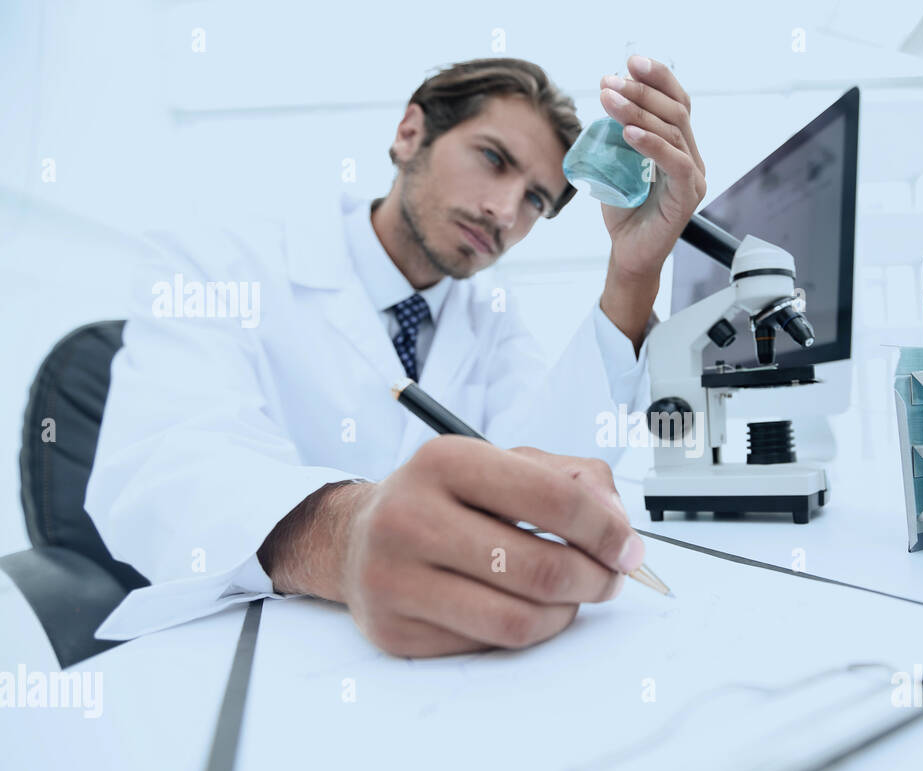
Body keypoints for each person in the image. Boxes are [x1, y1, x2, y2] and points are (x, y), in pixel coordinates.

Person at [85, 55, 707, 657]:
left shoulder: (489, 314)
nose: (504, 210)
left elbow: (552, 468)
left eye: (535, 201)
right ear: (411, 133)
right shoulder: (216, 263)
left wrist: (633, 275)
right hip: (233, 657)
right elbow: (164, 464)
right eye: (493, 159)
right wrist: (345, 535)